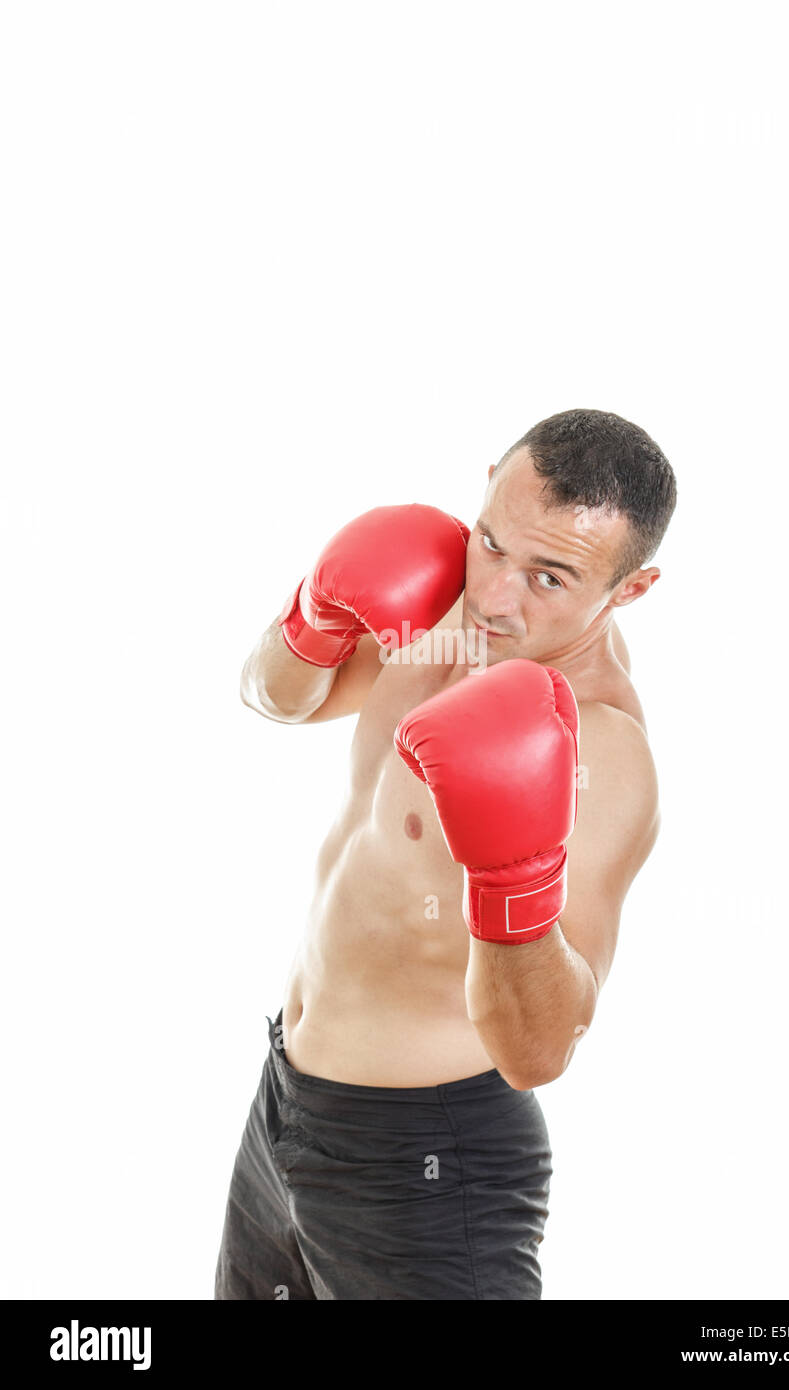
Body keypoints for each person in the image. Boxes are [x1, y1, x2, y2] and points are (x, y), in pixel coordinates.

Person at [214, 407, 677, 1300]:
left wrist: (512, 882)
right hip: (284, 1107)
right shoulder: (451, 605)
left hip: (426, 1168)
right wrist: (311, 616)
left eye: (549, 576)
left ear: (630, 588)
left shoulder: (603, 751)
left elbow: (542, 1049)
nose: (499, 595)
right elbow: (276, 700)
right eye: (494, 543)